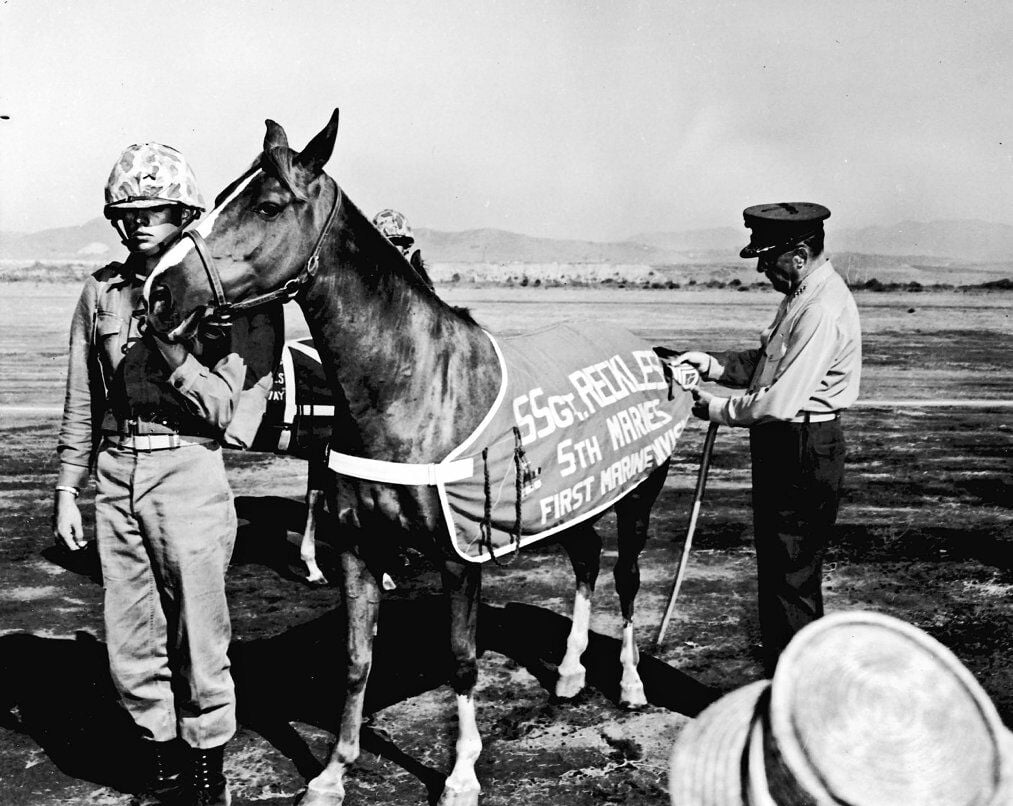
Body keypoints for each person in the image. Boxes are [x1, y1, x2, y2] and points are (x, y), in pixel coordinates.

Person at [53, 142, 275, 805]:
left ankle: (208, 783)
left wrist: (167, 344)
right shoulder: (101, 293)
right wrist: (68, 488)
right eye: (129, 211)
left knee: (199, 638)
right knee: (130, 642)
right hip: (117, 473)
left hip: (188, 469)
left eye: (156, 209)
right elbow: (81, 399)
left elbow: (231, 413)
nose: (140, 222)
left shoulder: (231, 297)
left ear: (184, 213)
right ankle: (162, 774)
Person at [663, 202, 861, 674]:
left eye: (766, 257)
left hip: (800, 445)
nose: (759, 267)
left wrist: (716, 408)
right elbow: (768, 362)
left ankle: (792, 698)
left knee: (789, 579)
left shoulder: (819, 308)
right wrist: (712, 364)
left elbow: (780, 399)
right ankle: (791, 689)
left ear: (797, 254)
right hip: (787, 443)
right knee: (783, 575)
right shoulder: (803, 294)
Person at [372, 207, 434, 289]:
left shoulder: (416, 277)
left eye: (398, 242)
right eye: (387, 242)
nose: (393, 248)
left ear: (405, 248)